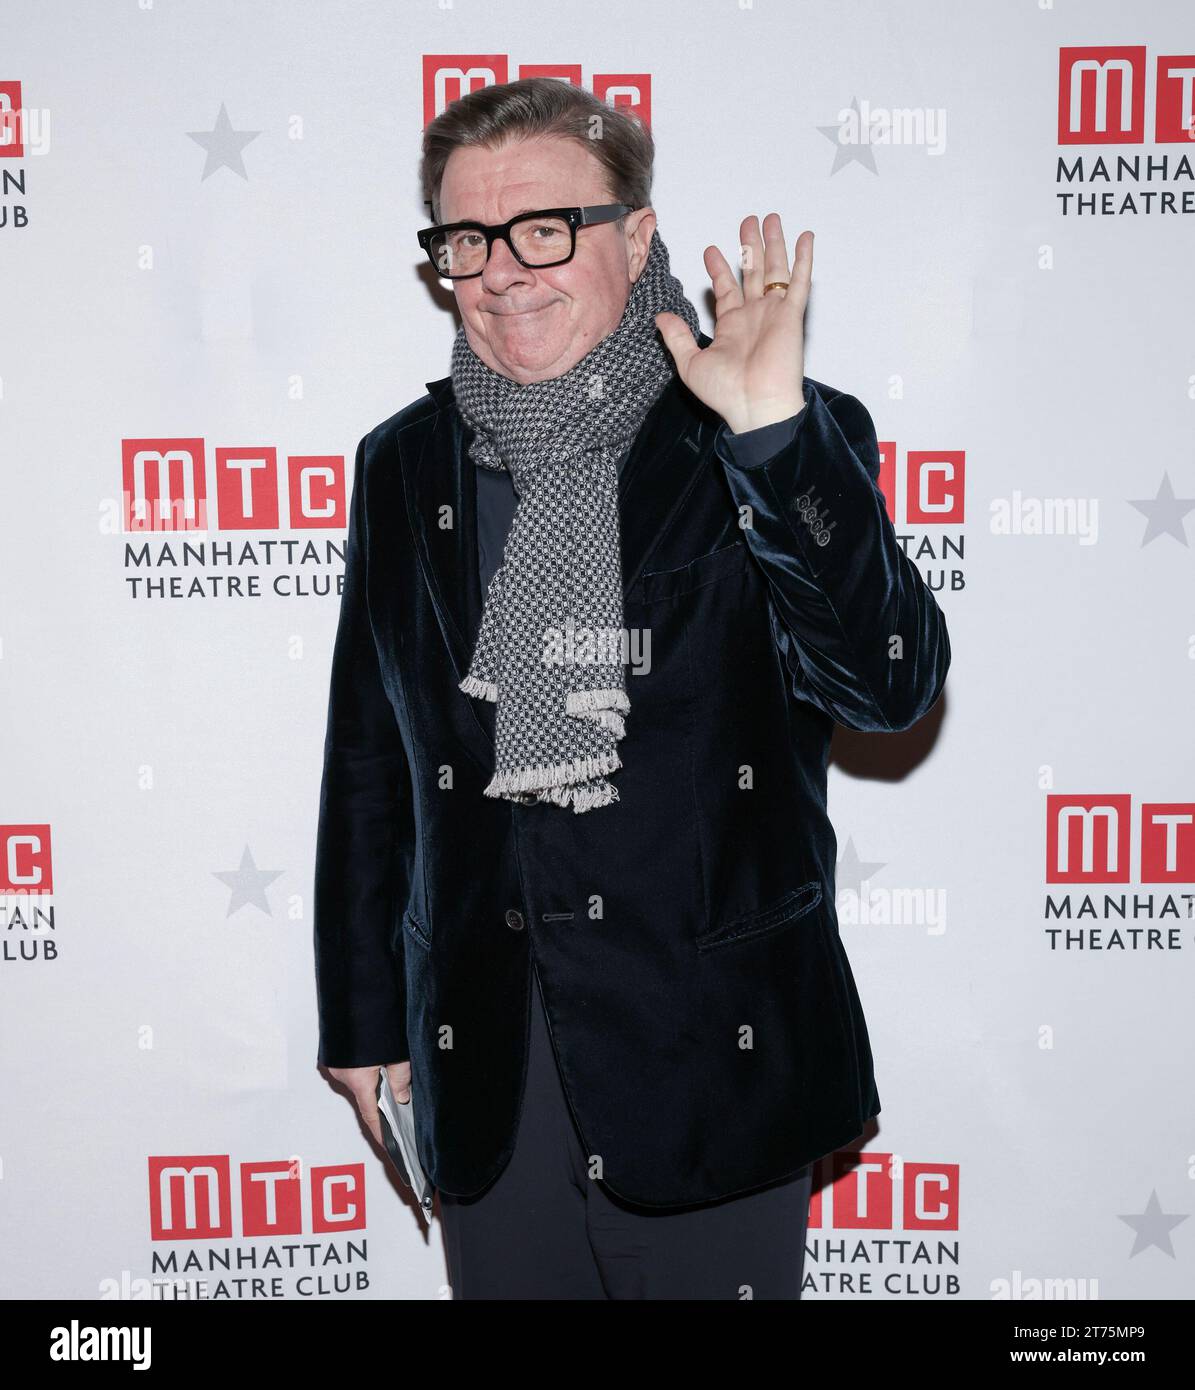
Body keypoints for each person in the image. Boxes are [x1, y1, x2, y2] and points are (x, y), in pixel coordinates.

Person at [313, 76, 950, 1300]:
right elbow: (368, 755)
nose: (501, 271)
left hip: (710, 1047)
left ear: (638, 238)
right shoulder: (405, 462)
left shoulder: (764, 434)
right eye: (466, 240)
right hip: (492, 1060)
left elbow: (887, 684)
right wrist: (361, 1017)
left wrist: (770, 432)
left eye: (545, 228)